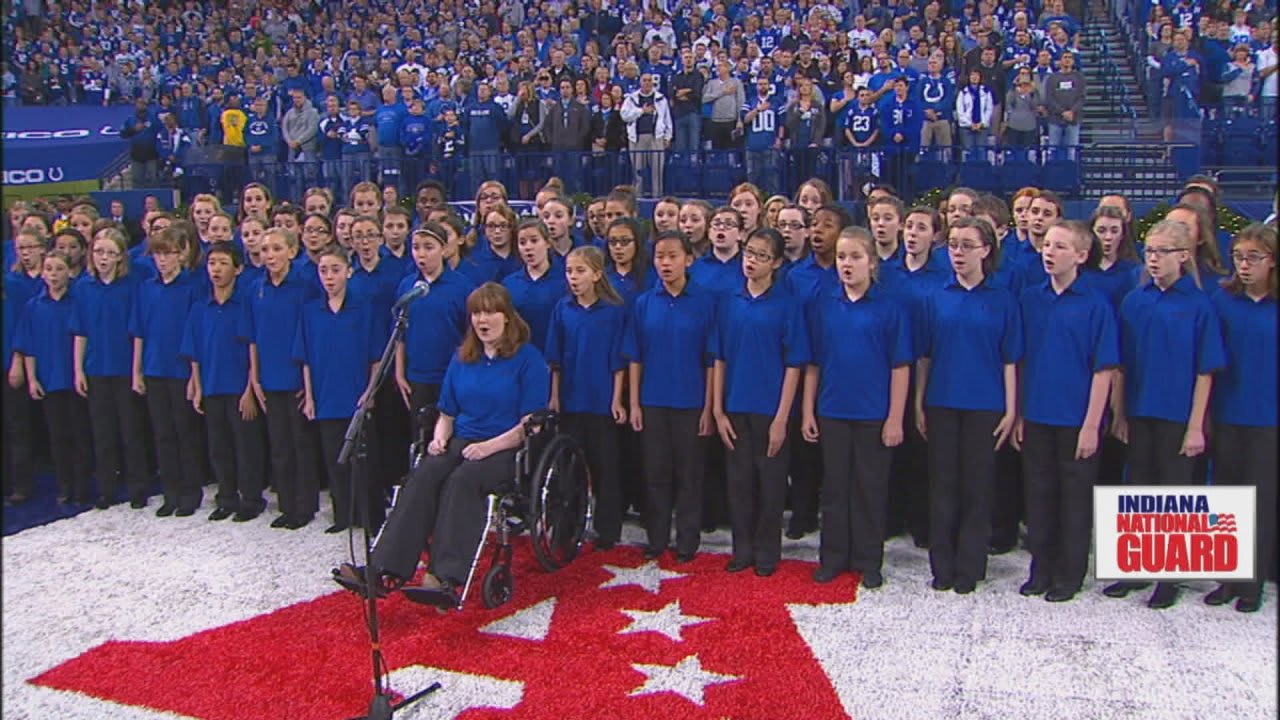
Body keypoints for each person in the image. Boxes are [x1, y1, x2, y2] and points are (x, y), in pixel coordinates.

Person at [332, 282, 550, 607]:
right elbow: (447, 410)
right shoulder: (463, 357)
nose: (482, 320)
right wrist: (439, 436)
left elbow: (529, 425)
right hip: (461, 439)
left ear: (507, 317)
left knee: (464, 480)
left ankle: (444, 577)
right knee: (426, 473)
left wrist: (488, 447)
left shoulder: (528, 359)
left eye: (490, 312)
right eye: (476, 313)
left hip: (506, 446)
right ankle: (383, 569)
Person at [1104, 219, 1226, 610]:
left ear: (1184, 256)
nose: (1154, 259)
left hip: (1177, 414)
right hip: (1140, 410)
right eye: (1150, 251)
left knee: (1173, 494)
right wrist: (1120, 413)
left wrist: (1195, 426)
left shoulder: (1198, 305)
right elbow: (1121, 365)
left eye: (1162, 252)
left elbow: (1206, 371)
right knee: (1138, 485)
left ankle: (1170, 576)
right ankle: (1136, 566)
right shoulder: (1135, 301)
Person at [1013, 220, 1119, 603]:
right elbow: (1020, 361)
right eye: (1046, 245)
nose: (1049, 252)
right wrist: (1020, 414)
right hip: (1037, 415)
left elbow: (1103, 368)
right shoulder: (1030, 298)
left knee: (1073, 499)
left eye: (1059, 246)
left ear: (1080, 255)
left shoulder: (1095, 305)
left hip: (1076, 420)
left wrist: (1092, 424)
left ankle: (1069, 574)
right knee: (1038, 497)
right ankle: (1040, 568)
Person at [916, 216, 1022, 594]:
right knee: (943, 486)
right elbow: (924, 356)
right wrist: (919, 403)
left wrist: (1012, 409)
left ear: (986, 251)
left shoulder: (1002, 298)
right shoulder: (936, 296)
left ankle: (971, 566)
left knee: (978, 488)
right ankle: (942, 566)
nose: (957, 253)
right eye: (953, 245)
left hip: (986, 404)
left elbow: (1010, 357)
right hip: (942, 402)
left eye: (966, 246)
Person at [803, 226, 910, 587]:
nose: (846, 264)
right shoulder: (824, 305)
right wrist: (807, 410)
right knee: (835, 489)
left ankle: (869, 560)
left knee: (870, 488)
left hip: (873, 414)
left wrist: (895, 417)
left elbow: (900, 366)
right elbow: (813, 363)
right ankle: (833, 557)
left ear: (872, 263)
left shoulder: (889, 308)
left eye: (855, 257)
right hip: (833, 410)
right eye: (841, 257)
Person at [715, 227, 809, 577]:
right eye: (749, 253)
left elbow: (794, 363)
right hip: (735, 406)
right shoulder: (730, 301)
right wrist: (718, 410)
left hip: (771, 408)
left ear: (778, 263)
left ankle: (768, 552)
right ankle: (742, 550)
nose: (751, 261)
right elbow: (719, 357)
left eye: (761, 256)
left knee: (770, 484)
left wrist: (783, 418)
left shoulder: (787, 305)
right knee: (739, 483)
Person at [625, 229, 717, 562]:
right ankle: (657, 537)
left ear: (688, 260)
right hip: (652, 401)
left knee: (689, 475)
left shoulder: (706, 302)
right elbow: (634, 356)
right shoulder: (644, 303)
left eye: (672, 256)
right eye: (660, 257)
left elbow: (712, 361)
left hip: (691, 402)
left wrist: (709, 408)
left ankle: (687, 539)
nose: (665, 263)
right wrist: (634, 402)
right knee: (656, 473)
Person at [1204, 224, 1276, 613]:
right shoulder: (1222, 300)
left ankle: (1252, 584)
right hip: (1227, 412)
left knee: (1260, 502)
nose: (1244, 266)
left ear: (1272, 261)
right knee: (1227, 498)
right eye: (1239, 257)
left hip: (1268, 419)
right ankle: (1227, 578)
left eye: (1254, 258)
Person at [546, 246, 629, 549]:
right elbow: (555, 359)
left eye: (580, 271)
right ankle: (567, 528)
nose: (573, 277)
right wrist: (554, 396)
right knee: (569, 471)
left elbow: (618, 361)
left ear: (596, 274)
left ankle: (608, 531)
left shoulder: (613, 311)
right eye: (569, 271)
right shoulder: (562, 309)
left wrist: (617, 400)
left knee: (606, 467)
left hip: (601, 401)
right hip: (571, 400)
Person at [296, 247, 382, 532]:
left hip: (356, 394)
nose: (329, 277)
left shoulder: (364, 309)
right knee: (335, 459)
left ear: (348, 271)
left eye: (335, 270)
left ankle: (369, 515)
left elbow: (375, 357)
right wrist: (309, 396)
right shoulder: (310, 311)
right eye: (323, 271)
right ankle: (342, 515)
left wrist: (370, 392)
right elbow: (306, 358)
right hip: (325, 394)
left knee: (365, 462)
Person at [181, 242, 265, 523]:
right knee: (219, 446)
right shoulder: (199, 307)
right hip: (212, 385)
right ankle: (226, 497)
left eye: (223, 263)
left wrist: (249, 389)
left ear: (238, 268)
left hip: (239, 387)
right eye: (212, 263)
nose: (216, 269)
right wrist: (197, 384)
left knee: (246, 446)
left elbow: (252, 348)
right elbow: (193, 349)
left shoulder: (245, 305)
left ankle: (251, 498)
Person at [129, 225, 207, 516]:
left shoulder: (191, 288)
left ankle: (191, 490)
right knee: (162, 433)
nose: (162, 260)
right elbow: (138, 331)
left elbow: (194, 333)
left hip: (180, 370)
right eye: (158, 254)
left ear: (180, 255)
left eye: (168, 254)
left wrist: (193, 376)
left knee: (185, 432)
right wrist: (137, 370)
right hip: (154, 367)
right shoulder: (146, 288)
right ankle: (170, 491)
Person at [247, 227, 322, 530]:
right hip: (270, 376)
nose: (270, 255)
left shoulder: (305, 286)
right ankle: (287, 504)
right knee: (279, 445)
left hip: (297, 376)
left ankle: (306, 505)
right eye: (265, 250)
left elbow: (313, 334)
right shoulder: (255, 288)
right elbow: (252, 336)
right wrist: (255, 377)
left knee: (301, 444)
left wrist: (309, 381)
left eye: (277, 249)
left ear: (292, 251)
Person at [72, 227, 149, 509]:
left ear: (120, 257)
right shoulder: (83, 287)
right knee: (102, 433)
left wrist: (136, 371)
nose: (103, 257)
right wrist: (78, 370)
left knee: (131, 431)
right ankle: (107, 489)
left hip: (124, 367)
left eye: (110, 253)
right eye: (99, 251)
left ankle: (137, 487)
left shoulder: (130, 286)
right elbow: (80, 331)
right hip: (96, 368)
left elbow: (137, 331)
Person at [15, 251, 94, 505]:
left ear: (69, 272)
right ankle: (65, 486)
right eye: (48, 269)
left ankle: (82, 487)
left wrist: (80, 371)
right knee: (58, 437)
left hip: (73, 379)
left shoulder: (77, 303)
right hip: (49, 379)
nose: (53, 274)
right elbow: (28, 345)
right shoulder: (33, 306)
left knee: (79, 435)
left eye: (58, 269)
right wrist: (32, 379)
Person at [394, 223, 477, 436]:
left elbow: (470, 333)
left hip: (451, 375)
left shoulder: (462, 286)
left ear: (443, 249)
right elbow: (399, 334)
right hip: (417, 377)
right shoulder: (407, 286)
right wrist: (399, 372)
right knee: (419, 434)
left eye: (428, 247)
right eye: (416, 247)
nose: (421, 254)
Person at [3, 229, 46, 505]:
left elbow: (23, 327)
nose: (25, 252)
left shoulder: (17, 286)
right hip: (12, 360)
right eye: (20, 248)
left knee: (21, 426)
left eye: (29, 247)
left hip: (23, 360)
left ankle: (24, 483)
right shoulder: (12, 282)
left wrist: (18, 362)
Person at [503, 219, 569, 353]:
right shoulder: (509, 283)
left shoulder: (565, 280)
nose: (528, 247)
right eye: (522, 243)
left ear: (548, 243)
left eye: (534, 241)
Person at [621, 73, 673, 197]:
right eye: (644, 80)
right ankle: (638, 197)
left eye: (649, 80)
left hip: (656, 138)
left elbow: (667, 119)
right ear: (640, 82)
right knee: (638, 170)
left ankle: (657, 196)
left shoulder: (661, 99)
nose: (647, 83)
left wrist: (668, 137)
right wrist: (641, 111)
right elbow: (624, 116)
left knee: (657, 170)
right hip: (636, 138)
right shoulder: (631, 99)